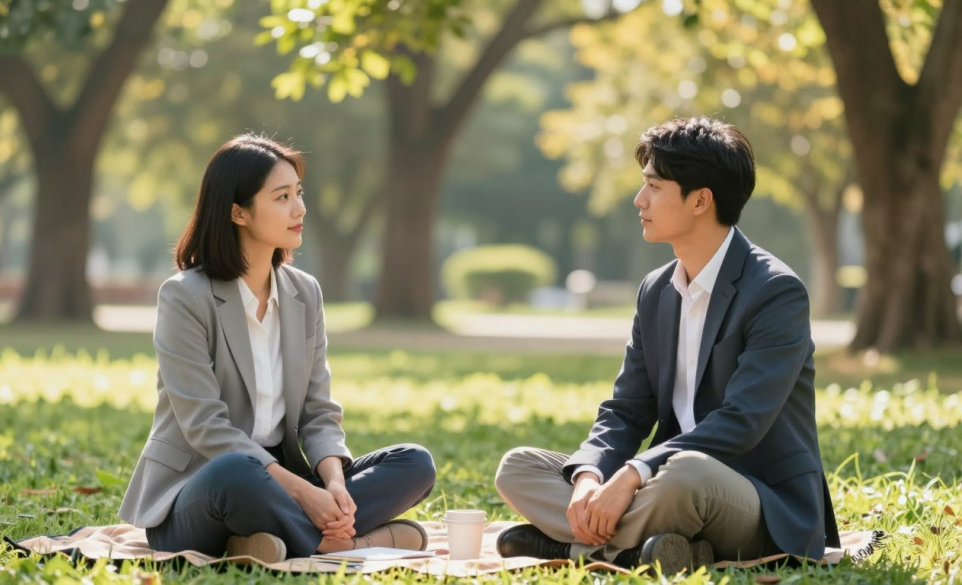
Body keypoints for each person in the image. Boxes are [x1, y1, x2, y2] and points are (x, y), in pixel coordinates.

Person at [494, 117, 839, 574]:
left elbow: (742, 421)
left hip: (753, 497)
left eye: (654, 187)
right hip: (663, 483)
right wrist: (590, 477)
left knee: (687, 473)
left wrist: (633, 473)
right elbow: (626, 409)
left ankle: (571, 547)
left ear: (700, 200)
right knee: (519, 467)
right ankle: (653, 549)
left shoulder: (775, 291)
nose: (640, 200)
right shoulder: (656, 290)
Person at [118, 134, 436, 563]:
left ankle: (274, 538)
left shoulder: (304, 292)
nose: (299, 208)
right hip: (205, 484)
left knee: (414, 462)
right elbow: (206, 427)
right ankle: (346, 544)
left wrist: (333, 484)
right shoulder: (184, 296)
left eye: (298, 193)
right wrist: (305, 495)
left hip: (283, 480)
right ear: (238, 212)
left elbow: (318, 412)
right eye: (282, 197)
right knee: (237, 474)